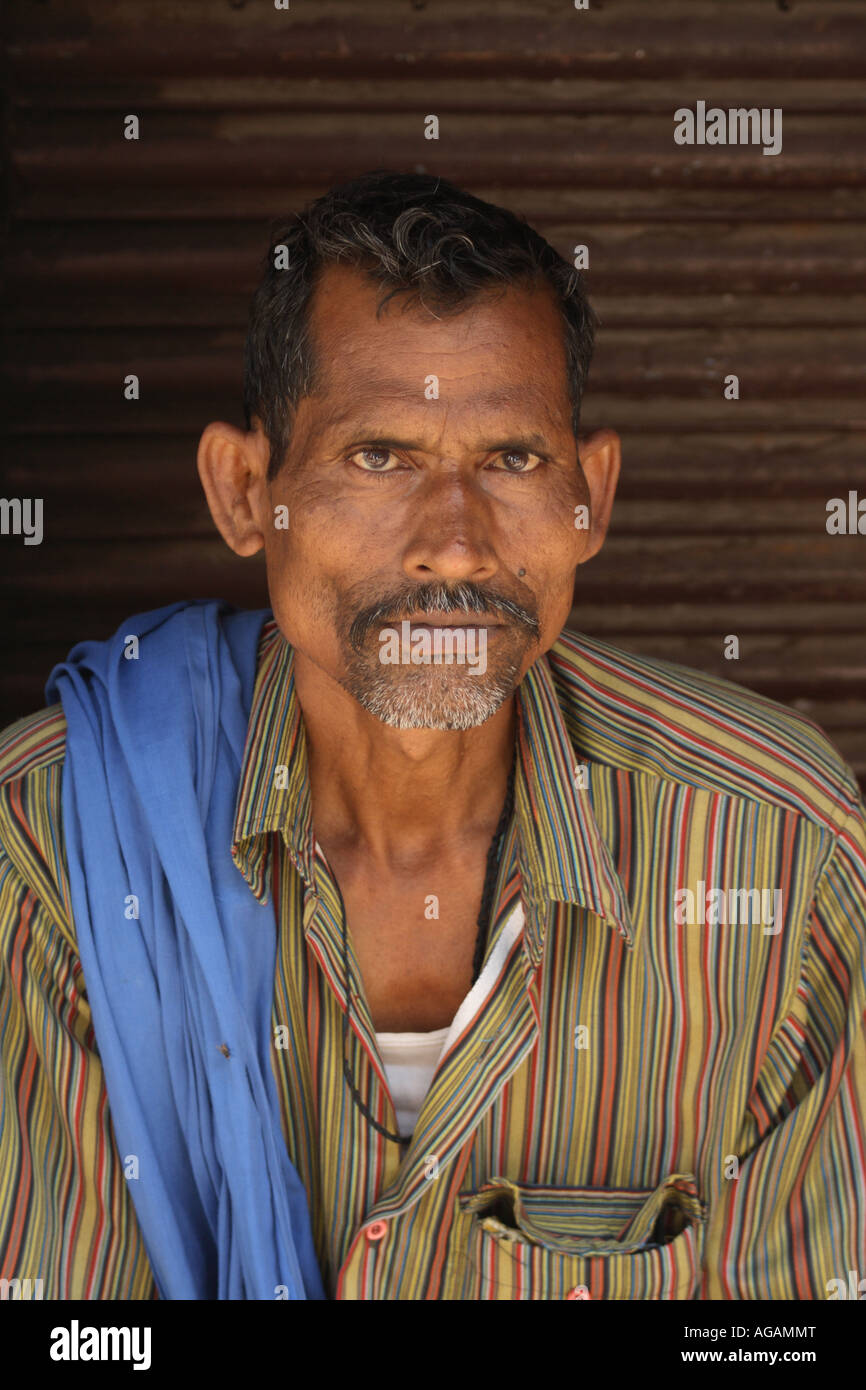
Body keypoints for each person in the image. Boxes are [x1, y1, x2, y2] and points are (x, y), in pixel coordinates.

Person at [1, 170, 864, 1300]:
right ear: (243, 488)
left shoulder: (772, 850)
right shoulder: (61, 843)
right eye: (380, 457)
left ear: (587, 498)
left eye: (510, 460)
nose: (453, 547)